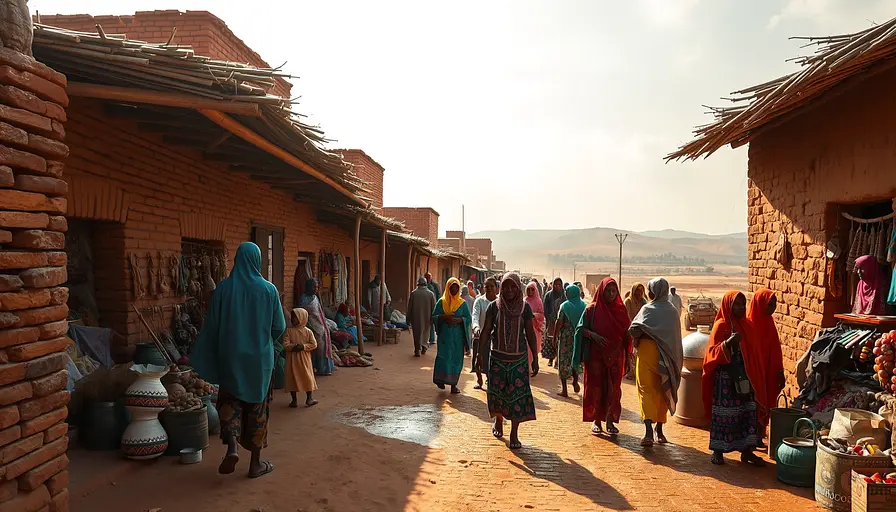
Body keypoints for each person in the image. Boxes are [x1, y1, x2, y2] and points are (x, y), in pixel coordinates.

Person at [192, 242, 285, 479]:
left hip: (230, 358)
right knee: (258, 408)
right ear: (258, 260)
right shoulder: (269, 290)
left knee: (229, 402)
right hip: (260, 362)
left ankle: (232, 448)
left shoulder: (223, 289)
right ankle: (255, 464)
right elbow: (279, 327)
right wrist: (266, 344)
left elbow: (212, 325)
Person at [702, 291, 765, 467]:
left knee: (748, 412)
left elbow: (754, 355)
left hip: (746, 376)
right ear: (728, 305)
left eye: (742, 304)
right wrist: (727, 344)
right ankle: (718, 450)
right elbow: (711, 354)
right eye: (736, 304)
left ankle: (747, 451)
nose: (740, 308)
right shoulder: (721, 325)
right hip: (725, 379)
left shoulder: (748, 326)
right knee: (724, 414)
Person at [478, 272, 539, 449]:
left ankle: (514, 432)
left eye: (513, 286)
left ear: (518, 287)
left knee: (517, 397)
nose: (510, 290)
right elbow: (486, 331)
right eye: (506, 286)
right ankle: (498, 420)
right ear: (501, 287)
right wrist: (479, 355)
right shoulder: (494, 307)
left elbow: (530, 334)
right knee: (498, 394)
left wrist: (535, 358)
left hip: (518, 361)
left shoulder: (525, 308)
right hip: (497, 358)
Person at [573, 277, 631, 436]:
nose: (611, 294)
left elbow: (627, 334)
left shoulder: (621, 311)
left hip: (615, 357)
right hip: (595, 358)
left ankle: (611, 421)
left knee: (613, 389)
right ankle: (596, 420)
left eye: (614, 291)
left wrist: (629, 355)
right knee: (595, 388)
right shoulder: (591, 310)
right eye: (608, 291)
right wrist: (593, 336)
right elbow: (580, 330)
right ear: (602, 291)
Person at [628, 278, 683, 446]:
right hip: (666, 357)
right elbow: (675, 338)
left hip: (647, 354)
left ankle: (648, 433)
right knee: (662, 389)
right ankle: (659, 430)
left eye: (650, 290)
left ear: (654, 292)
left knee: (646, 390)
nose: (648, 293)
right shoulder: (673, 312)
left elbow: (633, 330)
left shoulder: (647, 309)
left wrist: (645, 331)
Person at [746, 288, 785, 447]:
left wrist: (779, 372)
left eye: (775, 304)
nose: (773, 307)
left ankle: (760, 433)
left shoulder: (769, 324)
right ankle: (751, 435)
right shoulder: (749, 325)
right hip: (754, 373)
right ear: (760, 304)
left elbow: (775, 350)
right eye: (770, 304)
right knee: (754, 402)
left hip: (768, 372)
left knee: (767, 400)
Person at [432, 278, 472, 393]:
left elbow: (468, 318)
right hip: (444, 337)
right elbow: (434, 316)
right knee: (442, 357)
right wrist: (444, 317)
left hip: (457, 339)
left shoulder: (462, 304)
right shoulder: (441, 302)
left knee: (456, 360)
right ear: (448, 288)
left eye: (456, 287)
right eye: (452, 287)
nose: (454, 289)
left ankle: (453, 385)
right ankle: (440, 380)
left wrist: (460, 320)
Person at [553, 283, 586, 397]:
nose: (565, 294)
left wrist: (555, 336)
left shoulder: (564, 306)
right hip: (578, 337)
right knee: (575, 359)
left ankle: (564, 390)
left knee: (563, 361)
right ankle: (575, 381)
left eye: (567, 292)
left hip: (566, 338)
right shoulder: (584, 306)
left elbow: (559, 322)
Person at [282, 308, 319, 408]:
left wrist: (303, 347)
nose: (293, 319)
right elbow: (285, 345)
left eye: (295, 317)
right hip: (292, 359)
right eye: (292, 317)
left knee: (307, 377)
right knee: (292, 378)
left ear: (301, 318)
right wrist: (293, 347)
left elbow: (314, 344)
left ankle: (309, 398)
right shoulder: (289, 331)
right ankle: (294, 400)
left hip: (304, 359)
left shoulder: (308, 332)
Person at [298, 278, 334, 376]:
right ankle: (313, 367)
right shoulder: (303, 299)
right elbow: (301, 314)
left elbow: (320, 312)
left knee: (322, 348)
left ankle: (323, 368)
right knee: (314, 348)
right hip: (310, 326)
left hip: (320, 326)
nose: (315, 289)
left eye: (317, 287)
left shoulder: (315, 298)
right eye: (314, 287)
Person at [472, 277, 498, 389]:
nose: (489, 289)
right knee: (478, 359)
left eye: (491, 286)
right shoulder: (479, 301)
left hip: (494, 338)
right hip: (480, 335)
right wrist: (476, 327)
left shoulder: (499, 302)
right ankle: (479, 380)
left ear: (496, 288)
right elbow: (475, 315)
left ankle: (489, 379)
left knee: (490, 361)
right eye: (487, 286)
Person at [407, 277, 436, 357]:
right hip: (427, 318)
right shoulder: (430, 294)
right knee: (425, 333)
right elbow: (434, 308)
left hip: (415, 318)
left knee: (416, 334)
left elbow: (409, 308)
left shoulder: (413, 293)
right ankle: (424, 346)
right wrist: (433, 318)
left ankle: (417, 349)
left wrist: (408, 319)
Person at [542, 278, 565, 367]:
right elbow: (545, 308)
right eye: (555, 284)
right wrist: (549, 318)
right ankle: (551, 359)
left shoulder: (564, 296)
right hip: (551, 322)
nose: (557, 286)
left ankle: (557, 360)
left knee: (560, 341)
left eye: (559, 284)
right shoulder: (548, 295)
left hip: (561, 321)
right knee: (551, 340)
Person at [524, 282, 545, 374]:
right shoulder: (523, 300)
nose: (530, 291)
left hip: (535, 328)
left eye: (532, 289)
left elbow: (542, 315)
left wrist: (534, 315)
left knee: (533, 347)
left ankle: (532, 363)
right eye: (528, 289)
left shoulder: (538, 301)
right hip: (524, 328)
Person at [425, 272, 441, 345]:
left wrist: (437, 306)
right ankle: (426, 338)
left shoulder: (434, 285)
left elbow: (438, 295)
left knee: (432, 322)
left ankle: (432, 339)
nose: (428, 279)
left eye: (429, 277)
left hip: (433, 306)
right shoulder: (425, 285)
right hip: (425, 306)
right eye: (426, 278)